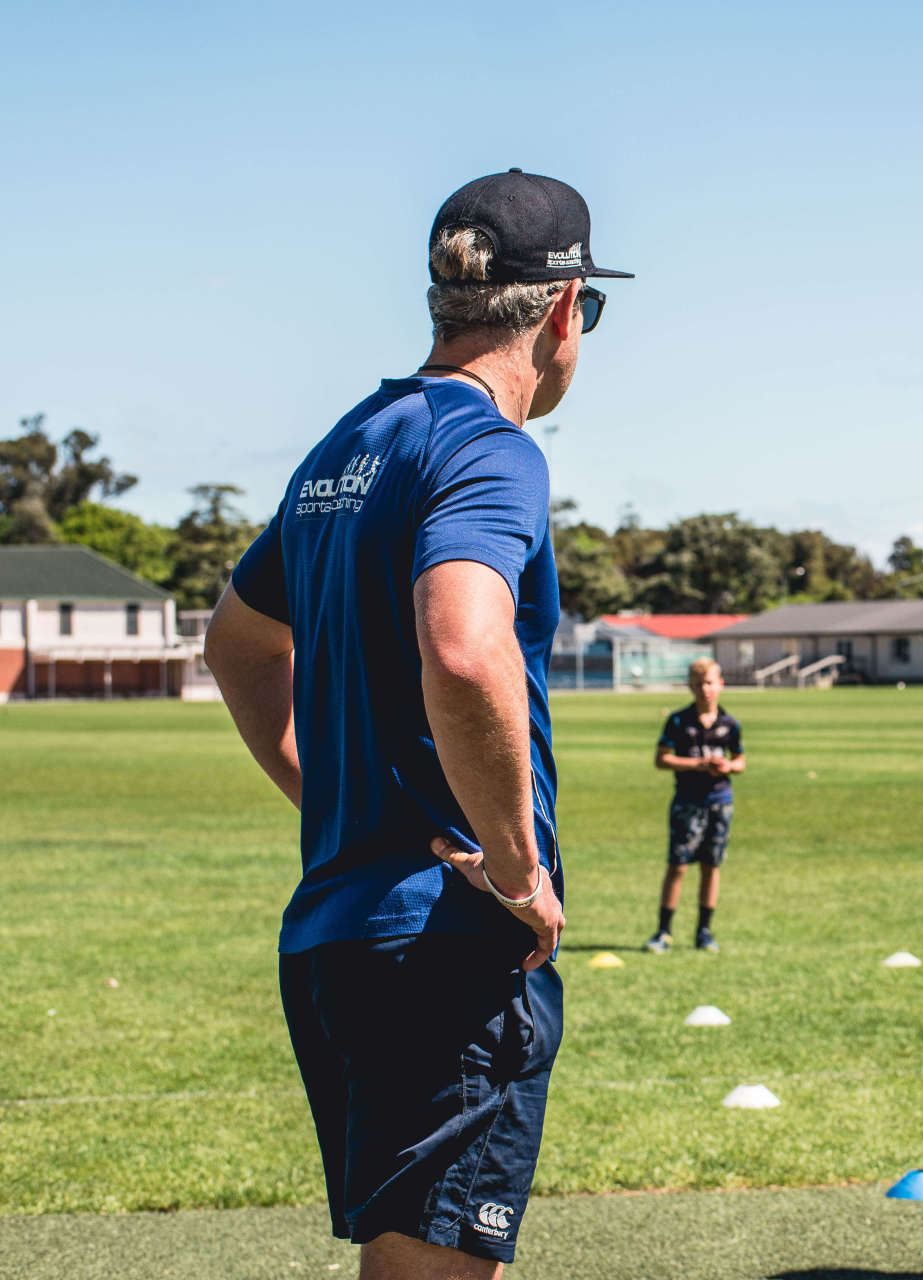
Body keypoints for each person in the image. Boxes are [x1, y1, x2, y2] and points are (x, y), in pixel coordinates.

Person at [203, 168, 629, 1278]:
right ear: (566, 309)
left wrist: (338, 795)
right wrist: (516, 864)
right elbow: (463, 643)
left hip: (338, 933)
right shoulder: (490, 447)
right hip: (444, 938)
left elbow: (238, 644)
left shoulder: (349, 443)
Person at [647, 657, 745, 953]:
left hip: (720, 802)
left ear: (720, 685)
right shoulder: (678, 721)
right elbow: (662, 759)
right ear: (691, 686)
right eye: (699, 684)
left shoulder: (730, 724)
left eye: (710, 683)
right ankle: (663, 932)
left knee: (710, 866)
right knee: (678, 866)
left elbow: (740, 761)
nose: (705, 689)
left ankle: (704, 931)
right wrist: (700, 764)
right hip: (687, 803)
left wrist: (727, 766)